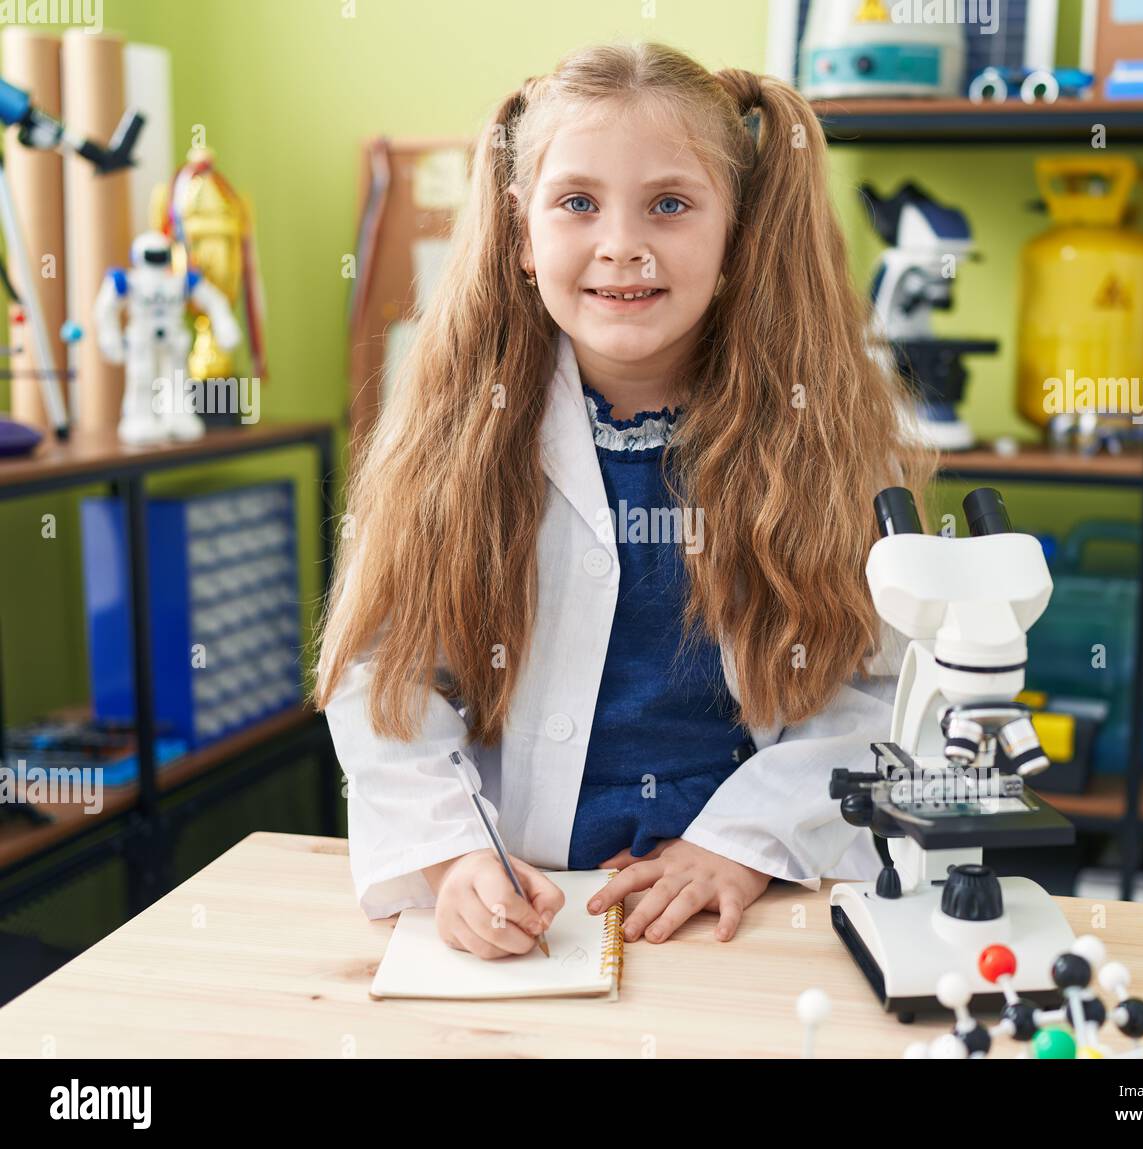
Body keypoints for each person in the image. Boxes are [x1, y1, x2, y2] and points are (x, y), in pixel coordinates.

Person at [312, 41, 935, 960]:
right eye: (577, 203)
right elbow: (381, 674)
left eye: (671, 205)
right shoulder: (452, 434)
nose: (621, 244)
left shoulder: (831, 437)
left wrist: (742, 843)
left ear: (739, 232)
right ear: (522, 235)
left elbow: (882, 692)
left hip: (748, 904)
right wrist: (450, 857)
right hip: (533, 909)